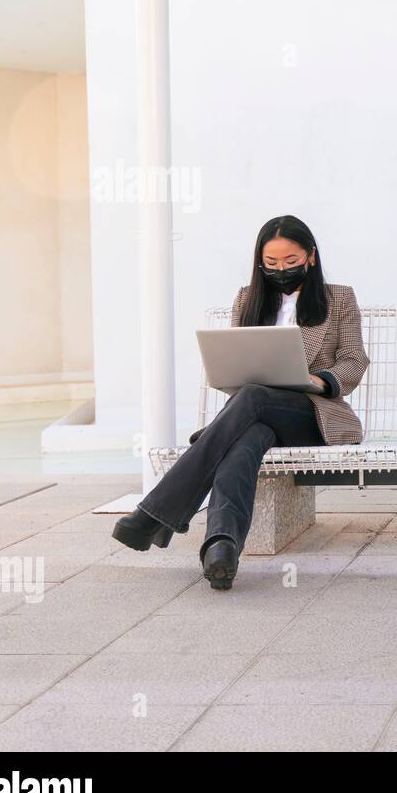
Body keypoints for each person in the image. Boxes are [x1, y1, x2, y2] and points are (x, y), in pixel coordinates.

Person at [110, 215, 370, 590]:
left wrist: (319, 379)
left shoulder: (339, 298)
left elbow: (353, 361)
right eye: (272, 264)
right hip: (255, 414)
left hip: (312, 413)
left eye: (291, 262)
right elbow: (235, 360)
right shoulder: (247, 299)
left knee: (252, 399)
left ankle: (155, 514)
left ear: (311, 257)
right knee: (246, 439)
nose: (281, 271)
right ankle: (221, 547)